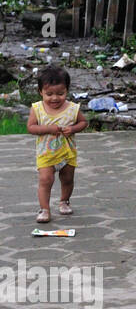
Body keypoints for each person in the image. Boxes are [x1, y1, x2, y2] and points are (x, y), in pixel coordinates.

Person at [27, 65, 88, 224]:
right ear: (41, 92)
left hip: (67, 153)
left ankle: (64, 201)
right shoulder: (37, 109)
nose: (55, 98)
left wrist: (73, 128)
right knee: (45, 180)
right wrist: (48, 128)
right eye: (49, 94)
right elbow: (31, 127)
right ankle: (44, 209)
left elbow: (83, 122)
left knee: (67, 179)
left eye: (60, 94)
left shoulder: (72, 109)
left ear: (67, 90)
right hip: (46, 153)